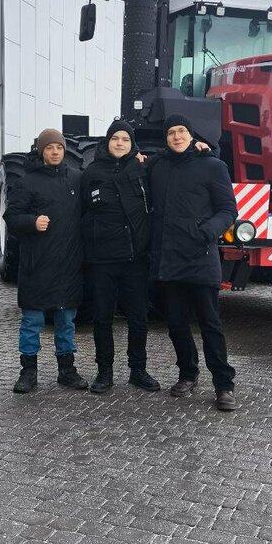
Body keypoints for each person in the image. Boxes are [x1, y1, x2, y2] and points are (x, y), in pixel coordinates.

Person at [148, 114, 239, 412]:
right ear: (166, 138)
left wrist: (207, 233)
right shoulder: (157, 167)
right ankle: (188, 374)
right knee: (176, 324)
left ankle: (224, 385)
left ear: (191, 134)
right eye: (171, 132)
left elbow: (228, 210)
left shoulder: (213, 166)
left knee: (211, 325)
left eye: (182, 131)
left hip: (200, 257)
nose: (176, 136)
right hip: (169, 259)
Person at [4, 128, 88, 393]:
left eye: (59, 148)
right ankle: (28, 372)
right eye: (50, 147)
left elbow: (104, 183)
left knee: (66, 324)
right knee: (32, 323)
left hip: (68, 267)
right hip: (37, 266)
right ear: (41, 151)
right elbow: (12, 217)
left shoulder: (77, 179)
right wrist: (31, 221)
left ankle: (67, 371)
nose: (55, 152)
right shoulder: (27, 182)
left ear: (65, 151)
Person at [81, 120, 160, 395]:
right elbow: (82, 214)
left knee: (138, 317)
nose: (120, 144)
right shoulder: (92, 172)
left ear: (132, 144)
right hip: (103, 260)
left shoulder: (143, 169)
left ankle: (138, 370)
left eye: (125, 139)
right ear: (107, 141)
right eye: (115, 138)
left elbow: (173, 162)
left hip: (135, 259)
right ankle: (104, 371)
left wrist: (199, 149)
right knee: (102, 318)